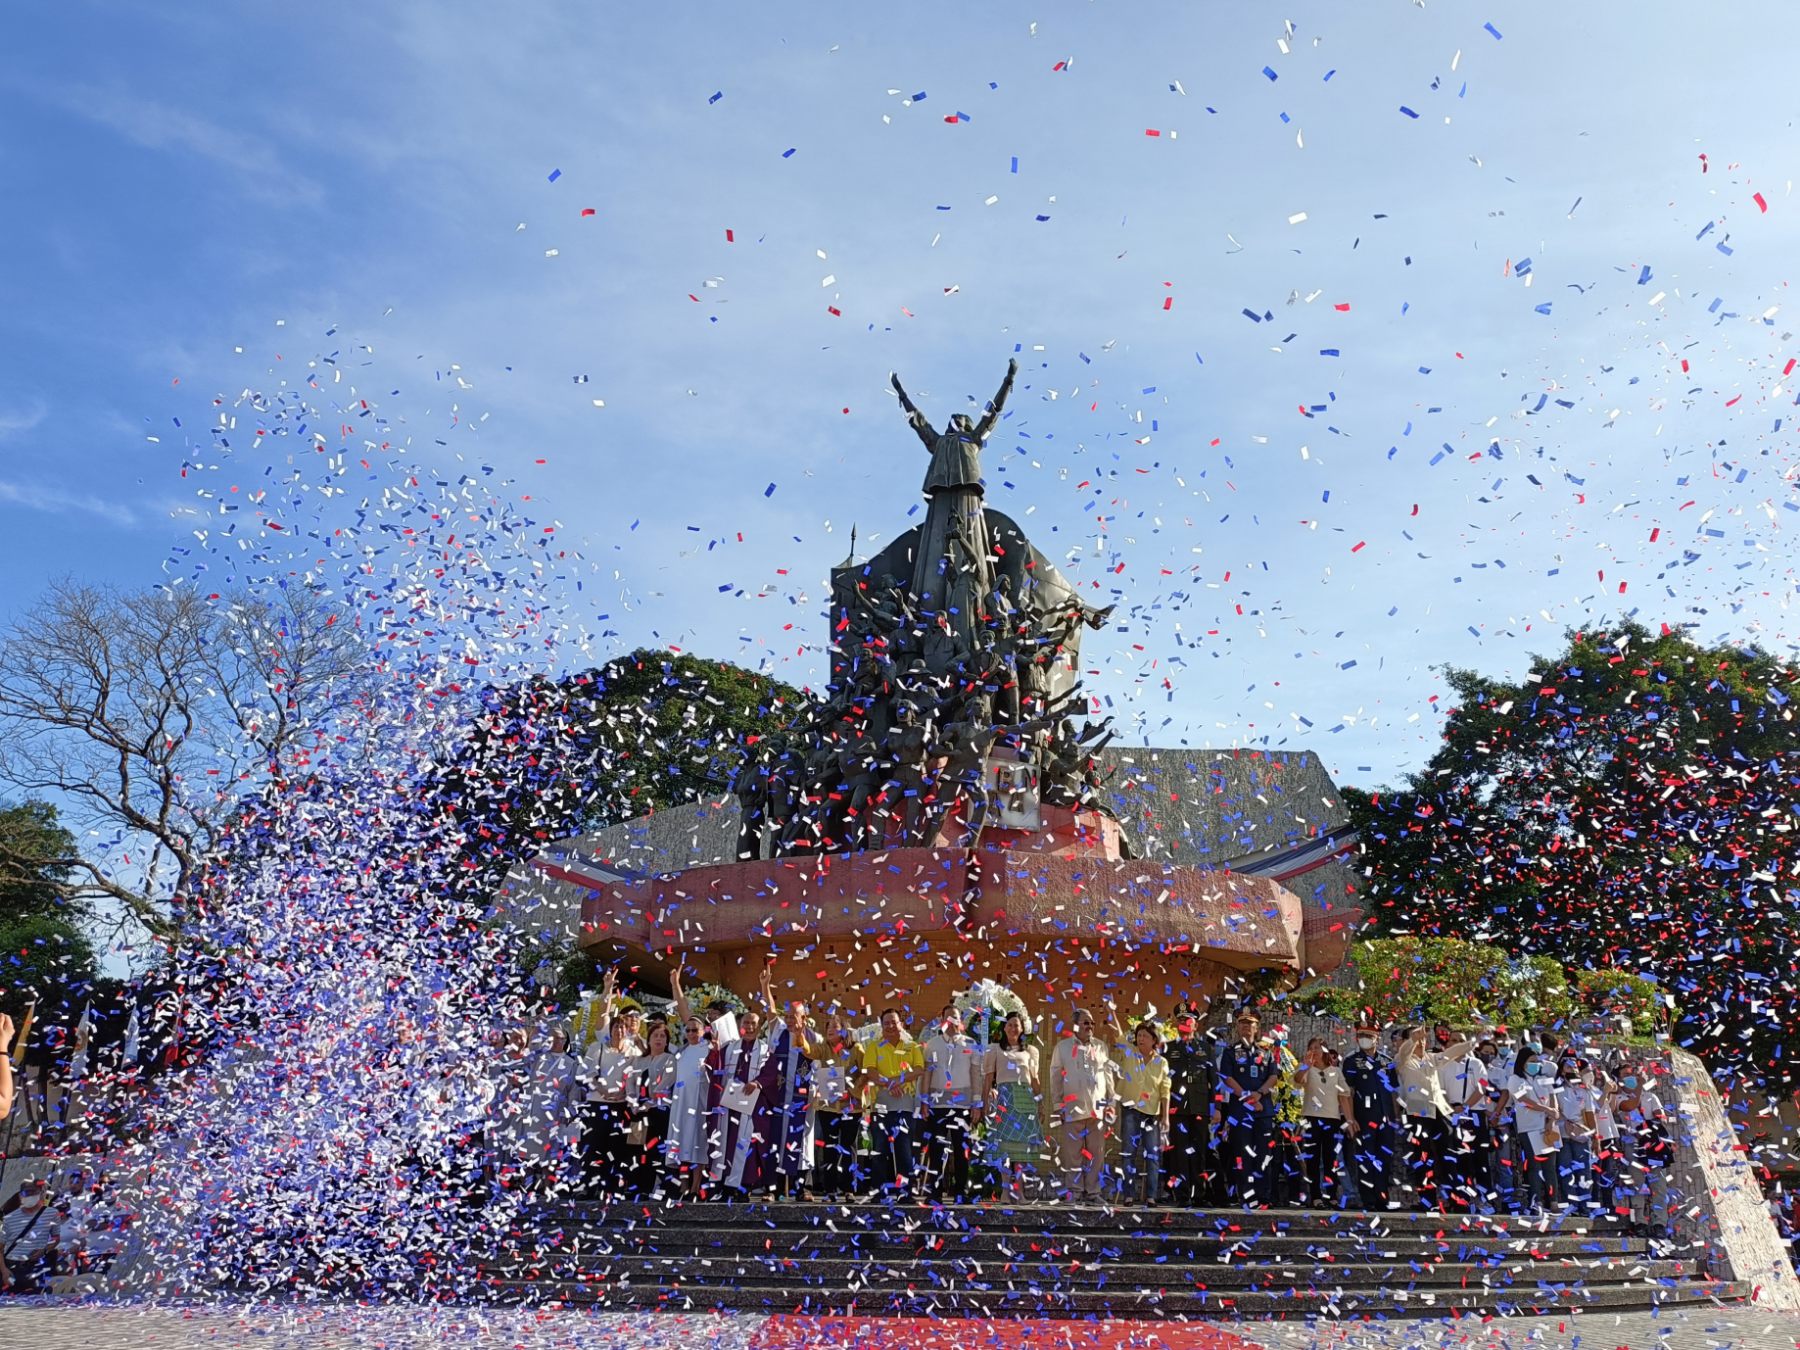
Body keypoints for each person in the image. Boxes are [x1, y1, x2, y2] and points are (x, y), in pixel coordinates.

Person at [750, 967, 823, 1199]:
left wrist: (818, 1092)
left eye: (794, 1016)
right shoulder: (779, 1031)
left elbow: (820, 1069)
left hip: (802, 1099)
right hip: (778, 1098)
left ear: (804, 1018)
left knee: (802, 1142)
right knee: (776, 1141)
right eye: (788, 1015)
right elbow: (770, 1010)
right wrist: (765, 986)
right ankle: (773, 1189)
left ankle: (802, 1189)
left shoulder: (815, 1038)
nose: (790, 1019)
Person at [1394, 1026, 1474, 1211]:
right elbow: (1404, 1052)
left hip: (1440, 1111)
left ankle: (1456, 1199)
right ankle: (1427, 1201)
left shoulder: (1432, 1058)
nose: (1421, 1043)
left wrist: (1473, 1042)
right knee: (1422, 1156)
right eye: (1417, 1039)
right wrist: (1412, 1040)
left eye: (1423, 1039)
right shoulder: (1403, 1060)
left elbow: (1451, 1052)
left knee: (1450, 1154)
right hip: (1418, 1113)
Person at [580, 969, 640, 1203]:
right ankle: (589, 1187)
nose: (619, 1030)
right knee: (593, 1147)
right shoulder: (598, 1047)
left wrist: (624, 1093)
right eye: (615, 1027)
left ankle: (612, 1188)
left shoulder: (633, 1052)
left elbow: (634, 1079)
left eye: (623, 1027)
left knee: (616, 1149)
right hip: (597, 1105)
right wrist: (607, 988)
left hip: (620, 1106)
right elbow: (588, 1075)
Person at [1046, 1008, 1114, 1203]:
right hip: (1071, 1109)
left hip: (1097, 1109)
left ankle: (1093, 1192)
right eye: (1086, 1022)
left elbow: (1108, 1076)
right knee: (1072, 1154)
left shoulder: (1101, 1046)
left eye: (1092, 1023)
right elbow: (1055, 1077)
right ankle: (1074, 1192)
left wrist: (1111, 1103)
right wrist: (1058, 1105)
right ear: (1075, 1025)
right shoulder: (1063, 1047)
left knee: (1096, 1154)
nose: (1090, 1026)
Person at [860, 1008, 925, 1200]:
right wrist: (889, 1084)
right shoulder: (874, 1047)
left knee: (904, 1149)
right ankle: (879, 1192)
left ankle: (905, 1192)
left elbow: (919, 1069)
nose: (890, 1026)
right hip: (881, 1103)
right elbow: (870, 1071)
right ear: (881, 1026)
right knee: (880, 1148)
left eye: (893, 1022)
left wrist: (898, 1080)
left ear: (900, 1024)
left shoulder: (912, 1046)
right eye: (886, 1023)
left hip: (905, 1103)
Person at [922, 1004, 983, 1202]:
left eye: (955, 1017)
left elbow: (976, 1074)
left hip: (962, 1105)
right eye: (948, 1017)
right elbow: (927, 1074)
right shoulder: (932, 1044)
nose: (952, 1021)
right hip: (937, 1105)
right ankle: (935, 1192)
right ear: (942, 1021)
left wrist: (976, 1103)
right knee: (936, 1149)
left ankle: (960, 1191)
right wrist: (924, 1101)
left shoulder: (971, 1044)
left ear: (961, 1021)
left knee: (961, 1149)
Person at [1108, 1013, 1171, 1206]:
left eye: (1145, 1035)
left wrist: (1165, 1116)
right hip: (1130, 1109)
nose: (1141, 1038)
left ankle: (1151, 1196)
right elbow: (1117, 1034)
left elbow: (1165, 1090)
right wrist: (1111, 1010)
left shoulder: (1162, 1062)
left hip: (1152, 1113)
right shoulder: (1130, 1052)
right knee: (1129, 1153)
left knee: (1152, 1154)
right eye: (1139, 1035)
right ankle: (1129, 1195)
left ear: (1154, 1040)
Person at [1218, 1009, 1278, 1207]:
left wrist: (1259, 1094)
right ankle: (1247, 1196)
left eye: (1250, 1023)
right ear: (1237, 1026)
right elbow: (1227, 1078)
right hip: (1241, 1110)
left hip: (1263, 1110)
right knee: (1242, 1155)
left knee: (1264, 1155)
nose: (1246, 1026)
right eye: (1242, 1023)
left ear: (1257, 1027)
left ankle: (1264, 1196)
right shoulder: (1230, 1052)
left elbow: (1273, 1076)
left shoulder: (1266, 1051)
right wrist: (1248, 1098)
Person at [982, 1011, 1046, 1200]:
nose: (1013, 1028)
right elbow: (988, 1079)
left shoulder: (1030, 1051)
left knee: (1021, 1150)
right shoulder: (995, 1049)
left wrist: (1040, 1103)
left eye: (1016, 1025)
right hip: (1004, 1100)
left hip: (1025, 1100)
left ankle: (1019, 1191)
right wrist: (984, 1102)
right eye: (1009, 1024)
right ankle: (1005, 1190)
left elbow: (1035, 1080)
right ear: (1004, 1027)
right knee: (1003, 1148)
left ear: (1022, 1028)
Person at [707, 1006, 768, 1197]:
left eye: (753, 1023)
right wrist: (715, 1052)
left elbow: (772, 1073)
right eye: (746, 1023)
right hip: (728, 1105)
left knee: (746, 1146)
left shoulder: (765, 1050)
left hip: (751, 1107)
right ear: (740, 1026)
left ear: (759, 1027)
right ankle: (724, 1186)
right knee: (725, 1143)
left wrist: (757, 1082)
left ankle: (743, 1188)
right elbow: (714, 1069)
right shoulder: (729, 1048)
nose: (749, 1027)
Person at [666, 972, 716, 1199]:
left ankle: (696, 1186)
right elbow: (683, 1012)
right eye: (688, 1030)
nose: (691, 1033)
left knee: (697, 1145)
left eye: (695, 1030)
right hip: (681, 1105)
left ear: (704, 1030)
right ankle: (683, 1185)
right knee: (682, 1145)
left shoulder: (709, 1048)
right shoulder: (682, 1051)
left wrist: (676, 985)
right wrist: (674, 984)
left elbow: (685, 1009)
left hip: (699, 1105)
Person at [1163, 1004, 1218, 1207]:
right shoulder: (1168, 1049)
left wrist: (1217, 1108)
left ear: (1195, 1025)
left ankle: (1199, 1195)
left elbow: (1214, 1081)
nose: (1184, 1024)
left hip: (1200, 1107)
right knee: (1178, 1154)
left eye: (1188, 1020)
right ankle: (1182, 1195)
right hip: (1176, 1109)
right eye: (1181, 1020)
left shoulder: (1206, 1049)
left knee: (1199, 1152)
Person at [1341, 1021, 1399, 1210]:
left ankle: (1382, 1198)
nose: (1364, 1039)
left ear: (1377, 1038)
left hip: (1386, 1118)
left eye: (1368, 1035)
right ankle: (1369, 1199)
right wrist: (1350, 1119)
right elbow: (1348, 1092)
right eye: (1361, 1035)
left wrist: (1396, 1117)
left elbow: (1393, 1092)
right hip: (1363, 1118)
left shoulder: (1387, 1062)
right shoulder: (1351, 1061)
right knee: (1366, 1158)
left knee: (1384, 1158)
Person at [1435, 1026, 1491, 1211]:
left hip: (1474, 1113)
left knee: (1480, 1157)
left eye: (1461, 1041)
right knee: (1457, 1157)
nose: (1457, 1044)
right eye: (1454, 1040)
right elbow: (1439, 1090)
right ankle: (1460, 1199)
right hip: (1451, 1114)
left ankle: (1484, 1198)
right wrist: (1452, 1108)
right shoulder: (1442, 1064)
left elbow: (1482, 1087)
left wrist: (1465, 1106)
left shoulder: (1476, 1063)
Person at [810, 1010, 863, 1200]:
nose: (830, 1029)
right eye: (828, 1026)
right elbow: (807, 1051)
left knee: (848, 1147)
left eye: (835, 1026)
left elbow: (866, 1072)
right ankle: (830, 1189)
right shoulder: (822, 1048)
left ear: (844, 1030)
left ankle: (849, 1189)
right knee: (830, 1147)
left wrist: (852, 1090)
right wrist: (799, 1034)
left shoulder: (856, 1049)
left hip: (851, 1106)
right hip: (829, 1106)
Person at [1299, 1039, 1355, 1209]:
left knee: (1332, 1159)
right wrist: (1306, 1066)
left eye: (1317, 1048)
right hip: (1311, 1118)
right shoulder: (1307, 1069)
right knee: (1313, 1159)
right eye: (1311, 1048)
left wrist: (1350, 1120)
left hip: (1332, 1119)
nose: (1314, 1051)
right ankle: (1316, 1196)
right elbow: (1298, 1081)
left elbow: (1344, 1096)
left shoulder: (1336, 1071)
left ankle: (1332, 1195)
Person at [631, 1021, 679, 1201]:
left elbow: (665, 1085)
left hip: (657, 1110)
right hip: (637, 1111)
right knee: (636, 1148)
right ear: (649, 1039)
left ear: (667, 1041)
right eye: (655, 1035)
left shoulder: (670, 1059)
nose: (659, 1039)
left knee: (655, 1150)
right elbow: (630, 1083)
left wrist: (648, 1103)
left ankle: (661, 1188)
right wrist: (633, 1102)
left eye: (662, 1036)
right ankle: (638, 1187)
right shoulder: (639, 1060)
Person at [1511, 1047, 1562, 1215]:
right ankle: (1536, 1202)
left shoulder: (1544, 1079)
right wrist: (1546, 1109)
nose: (1535, 1065)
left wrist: (1551, 1119)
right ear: (1523, 1062)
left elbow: (1553, 1100)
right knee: (1534, 1166)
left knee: (1550, 1166)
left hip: (1547, 1128)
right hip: (1529, 1128)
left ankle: (1553, 1202)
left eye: (1537, 1061)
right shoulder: (1515, 1079)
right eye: (1531, 1061)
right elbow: (1524, 1100)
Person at [1556, 1056, 1601, 1214]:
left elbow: (1590, 1115)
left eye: (1575, 1067)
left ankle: (1585, 1206)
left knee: (1584, 1171)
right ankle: (1571, 1206)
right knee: (1566, 1170)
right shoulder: (1557, 1088)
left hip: (1581, 1135)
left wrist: (1596, 1138)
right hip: (1562, 1135)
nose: (1573, 1069)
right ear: (1562, 1071)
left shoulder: (1584, 1090)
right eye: (1569, 1067)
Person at [0, 1175, 58, 1294]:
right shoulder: (10, 1216)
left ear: (41, 1193)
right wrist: (4, 1271)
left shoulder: (51, 1214)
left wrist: (44, 1250)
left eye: (34, 1192)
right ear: (20, 1195)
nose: (30, 1196)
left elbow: (55, 1239)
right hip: (12, 1269)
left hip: (36, 1269)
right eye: (27, 1192)